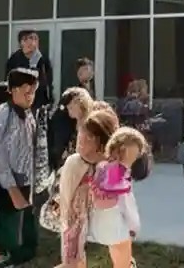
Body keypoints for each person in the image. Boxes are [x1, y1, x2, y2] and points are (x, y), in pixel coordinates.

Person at [0, 68, 47, 266]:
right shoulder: (1, 117)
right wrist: (13, 190)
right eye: (26, 91)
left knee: (17, 241)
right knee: (0, 240)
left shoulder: (27, 114)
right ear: (13, 90)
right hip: (1, 187)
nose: (30, 96)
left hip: (22, 184)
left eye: (33, 91)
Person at [57, 108, 118, 268]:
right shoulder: (74, 163)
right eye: (81, 134)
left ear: (102, 142)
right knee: (72, 261)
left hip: (102, 233)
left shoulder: (111, 167)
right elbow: (66, 201)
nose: (81, 140)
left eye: (89, 137)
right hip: (75, 227)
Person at [89, 127, 146, 268]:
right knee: (123, 264)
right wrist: (134, 227)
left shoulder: (102, 166)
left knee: (119, 257)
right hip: (117, 225)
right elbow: (126, 205)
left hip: (102, 224)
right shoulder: (120, 175)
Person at [5, 29, 54, 110]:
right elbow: (8, 81)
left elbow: (48, 81)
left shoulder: (42, 59)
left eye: (36, 39)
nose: (34, 42)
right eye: (31, 38)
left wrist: (50, 100)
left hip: (39, 101)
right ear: (22, 42)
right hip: (20, 101)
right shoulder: (14, 59)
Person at [48, 87, 94, 172]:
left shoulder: (90, 124)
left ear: (80, 103)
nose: (68, 108)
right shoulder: (72, 122)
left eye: (72, 106)